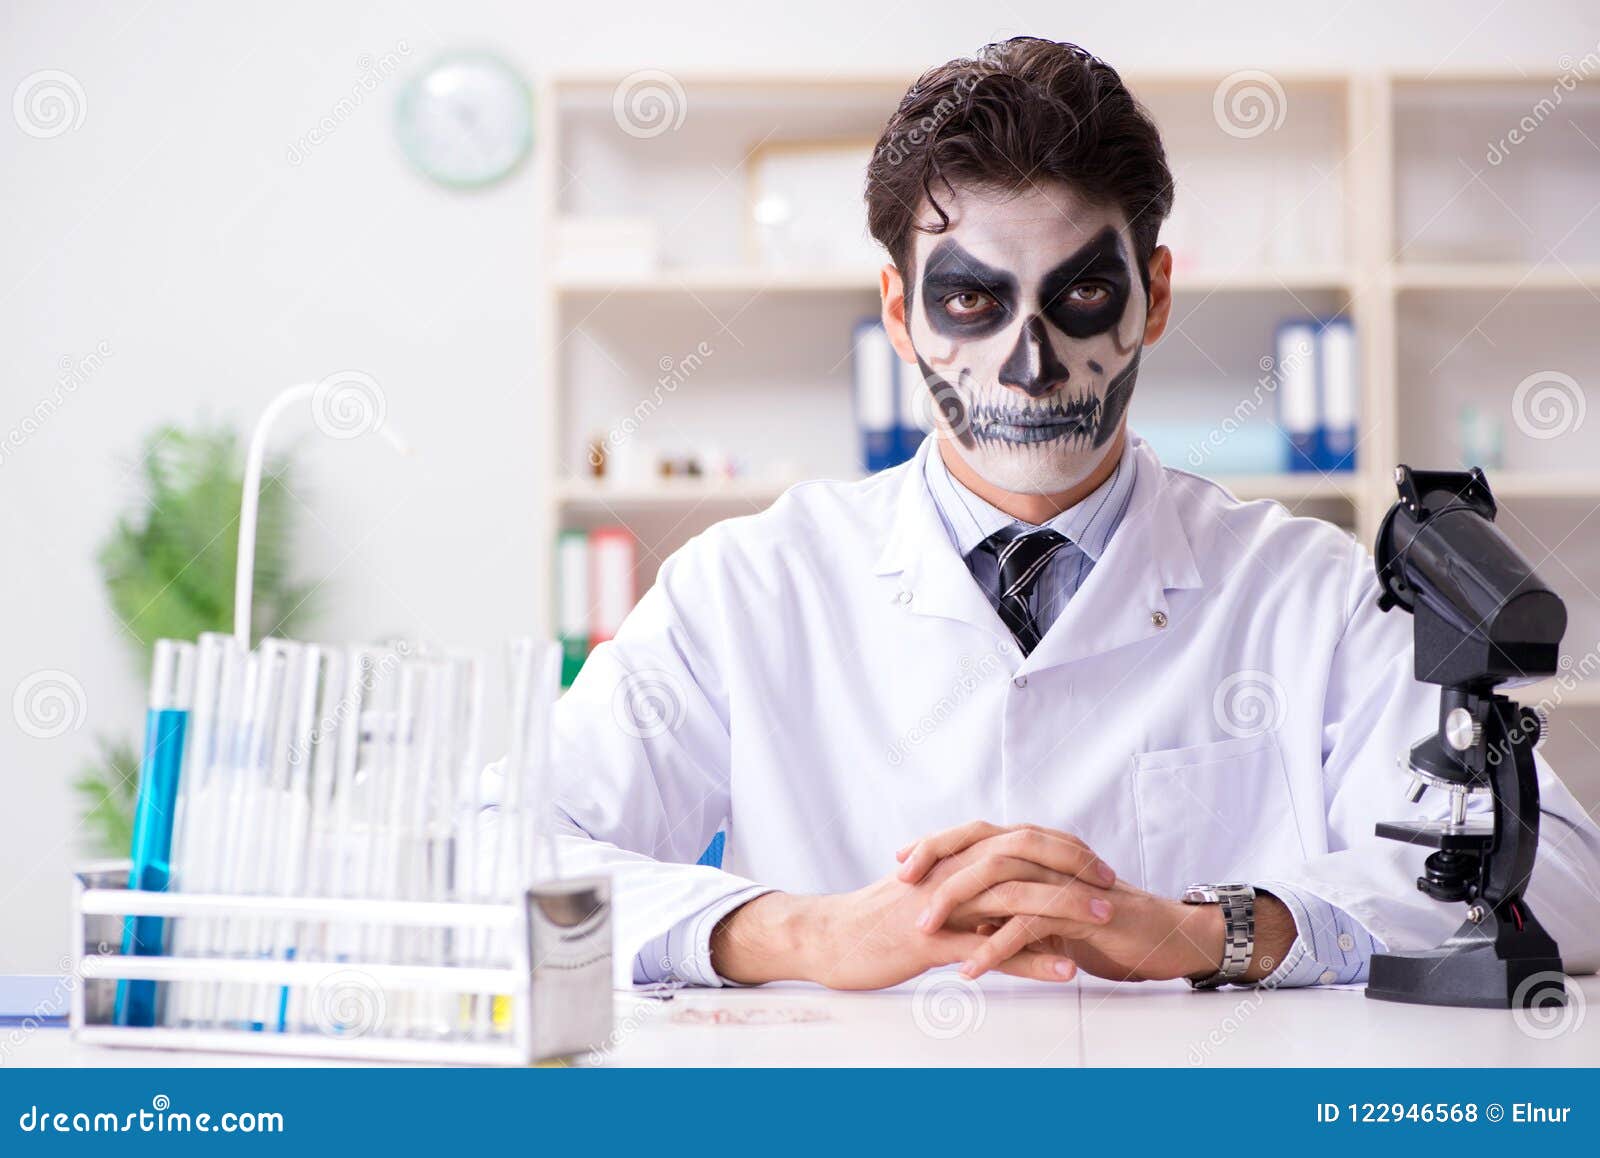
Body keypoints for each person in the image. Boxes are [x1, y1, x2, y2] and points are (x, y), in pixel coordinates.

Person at [550, 37, 1600, 992]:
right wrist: (805, 936)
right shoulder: (747, 585)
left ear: (1153, 292)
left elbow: (1556, 868)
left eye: (1082, 296)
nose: (1032, 362)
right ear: (897, 314)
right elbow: (512, 855)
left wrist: (1218, 933)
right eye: (972, 300)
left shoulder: (1306, 589)